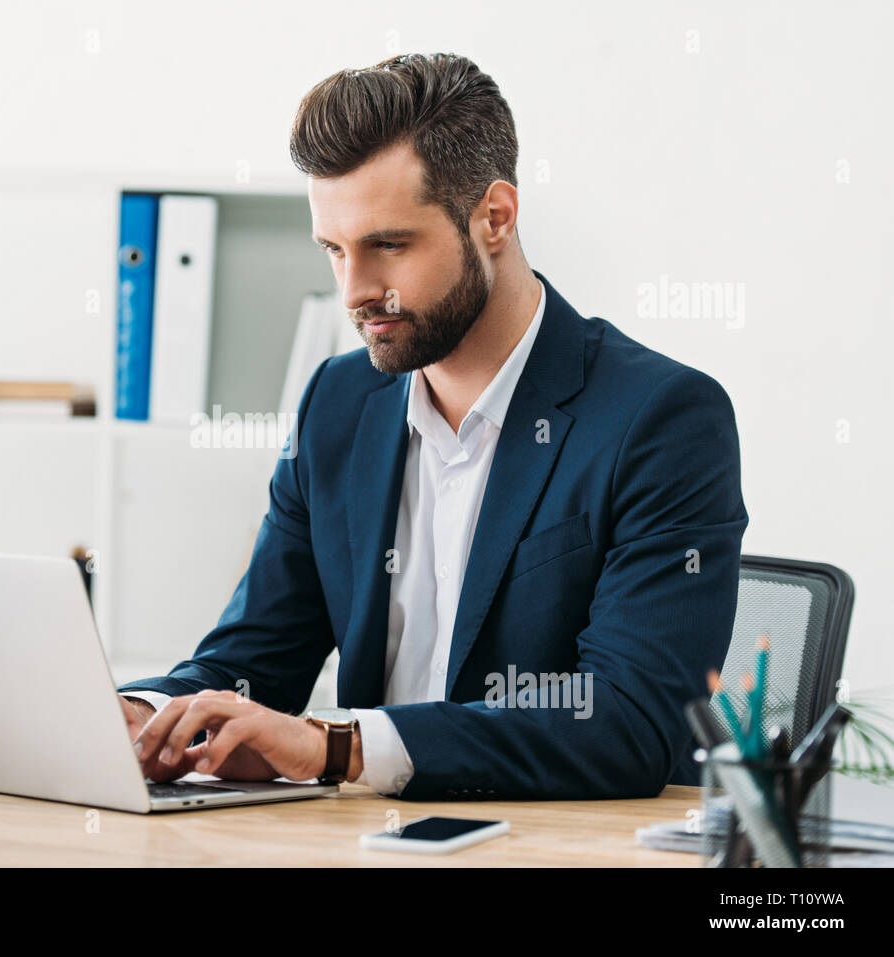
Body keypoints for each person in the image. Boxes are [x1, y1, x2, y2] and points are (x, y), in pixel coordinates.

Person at [119, 53, 748, 800]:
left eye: (388, 245)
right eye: (333, 250)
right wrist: (140, 712)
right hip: (361, 844)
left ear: (495, 218)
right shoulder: (339, 402)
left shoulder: (662, 418)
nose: (354, 292)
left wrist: (341, 747)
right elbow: (255, 657)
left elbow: (627, 721)